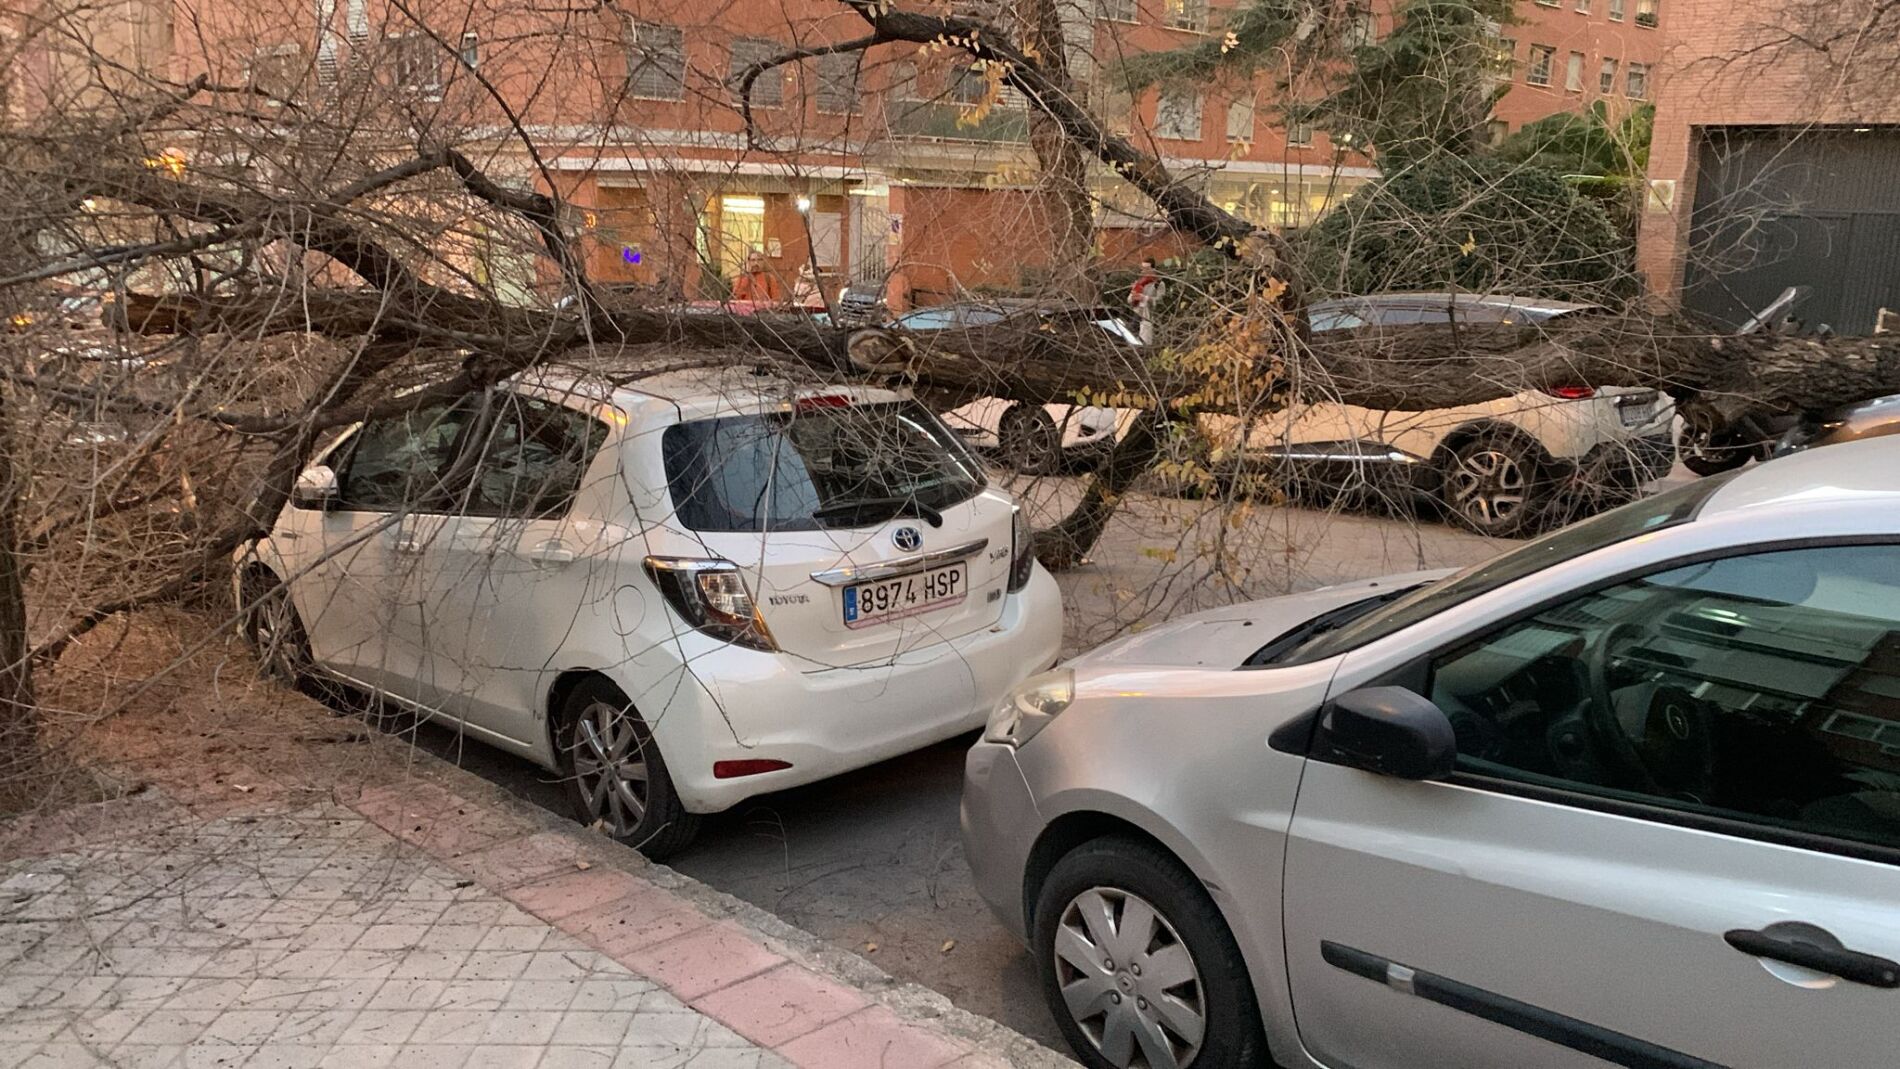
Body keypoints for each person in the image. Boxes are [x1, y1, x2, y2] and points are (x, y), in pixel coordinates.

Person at [1128, 257, 1165, 344]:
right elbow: (1129, 300)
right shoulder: (1139, 282)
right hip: (1136, 314)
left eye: (1147, 268)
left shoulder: (1159, 284)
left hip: (1148, 315)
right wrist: (1134, 295)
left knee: (1145, 341)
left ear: (1153, 269)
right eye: (1143, 268)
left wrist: (1144, 298)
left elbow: (1160, 301)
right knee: (1132, 340)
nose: (1144, 271)